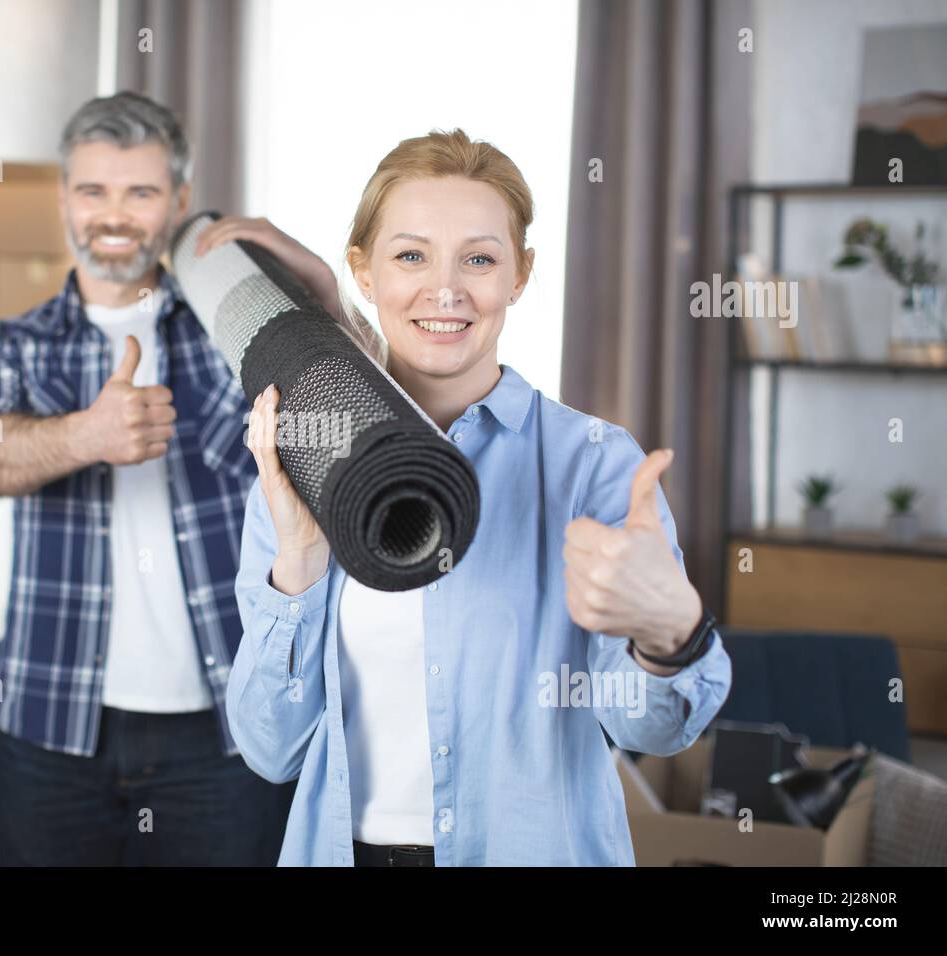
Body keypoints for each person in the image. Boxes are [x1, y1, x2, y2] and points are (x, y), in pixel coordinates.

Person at [211, 128, 732, 866]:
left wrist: (668, 632)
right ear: (363, 271)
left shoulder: (592, 467)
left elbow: (650, 729)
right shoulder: (301, 459)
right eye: (411, 255)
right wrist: (297, 557)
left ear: (519, 275)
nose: (446, 289)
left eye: (480, 259)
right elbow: (271, 750)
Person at [0, 91, 295, 866]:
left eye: (140, 192)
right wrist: (86, 434)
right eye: (93, 190)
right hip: (52, 731)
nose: (114, 214)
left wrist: (319, 286)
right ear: (65, 198)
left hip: (225, 732)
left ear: (180, 202)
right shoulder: (16, 345)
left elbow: (345, 409)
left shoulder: (232, 332)